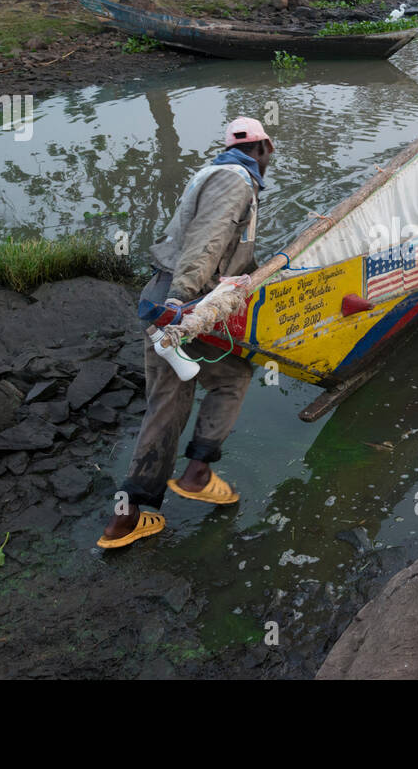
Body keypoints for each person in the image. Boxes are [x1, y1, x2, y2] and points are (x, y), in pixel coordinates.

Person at [98, 117, 274, 549]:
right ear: (265, 148)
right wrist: (181, 302)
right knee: (232, 377)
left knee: (166, 404)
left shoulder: (212, 172)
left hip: (163, 293)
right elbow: (207, 241)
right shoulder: (237, 181)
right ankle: (197, 473)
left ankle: (123, 520)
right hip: (188, 300)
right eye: (270, 151)